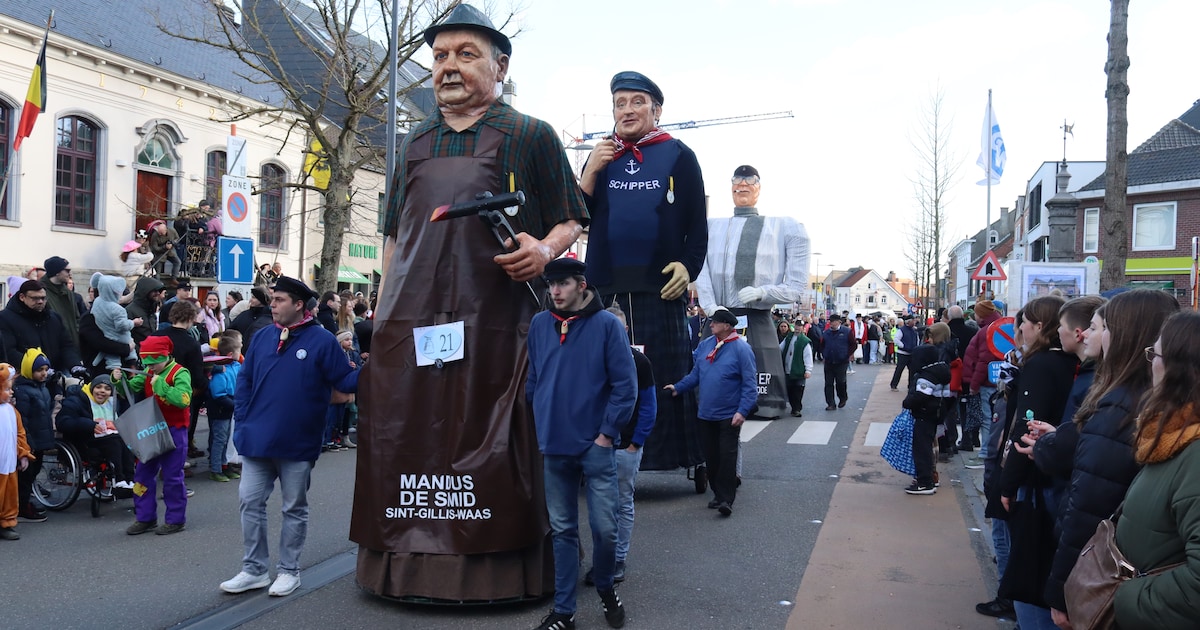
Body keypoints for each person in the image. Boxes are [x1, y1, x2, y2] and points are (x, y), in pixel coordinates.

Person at [352, 3, 588, 602]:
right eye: (439, 56)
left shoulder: (530, 134)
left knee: (498, 431)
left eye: (465, 54)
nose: (448, 68)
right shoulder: (415, 139)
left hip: (499, 319)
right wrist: (384, 312)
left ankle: (502, 573)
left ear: (499, 66)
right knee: (413, 433)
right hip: (413, 317)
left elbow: (571, 217)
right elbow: (393, 233)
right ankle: (403, 569)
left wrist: (544, 247)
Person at [1018, 291, 1177, 628]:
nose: (1091, 334)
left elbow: (1088, 504)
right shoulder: (1144, 399)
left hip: (1110, 572)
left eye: (1100, 327)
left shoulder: (1120, 405)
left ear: (1123, 336)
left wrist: (1061, 588)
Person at [580, 70, 708, 473]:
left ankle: (671, 458)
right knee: (602, 376)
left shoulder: (680, 155)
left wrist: (688, 267)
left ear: (657, 109)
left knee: (664, 377)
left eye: (637, 101)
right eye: (620, 102)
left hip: (660, 289)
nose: (628, 109)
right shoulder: (599, 155)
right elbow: (575, 220)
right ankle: (599, 454)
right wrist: (587, 176)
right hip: (604, 287)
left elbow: (698, 226)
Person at [219, 276, 358, 598]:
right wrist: (242, 421)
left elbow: (346, 380)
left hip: (298, 440)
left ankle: (288, 571)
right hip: (256, 438)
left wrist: (378, 368)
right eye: (272, 298)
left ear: (298, 304)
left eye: (279, 299)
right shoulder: (264, 336)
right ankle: (253, 570)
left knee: (294, 507)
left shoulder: (322, 341)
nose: (273, 304)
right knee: (249, 502)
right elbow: (246, 381)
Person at [526, 258, 636, 629]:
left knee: (605, 529)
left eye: (562, 284)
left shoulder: (606, 325)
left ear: (581, 285)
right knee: (563, 532)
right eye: (550, 285)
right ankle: (564, 612)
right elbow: (534, 379)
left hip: (595, 446)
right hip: (554, 446)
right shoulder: (541, 324)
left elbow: (626, 386)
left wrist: (606, 435)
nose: (554, 291)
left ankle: (605, 586)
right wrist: (540, 413)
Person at [694, 165, 808, 419]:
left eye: (750, 181)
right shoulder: (710, 227)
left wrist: (762, 292)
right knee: (709, 367)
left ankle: (762, 403)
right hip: (719, 314)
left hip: (756, 317)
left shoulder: (785, 227)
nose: (742, 185)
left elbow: (796, 286)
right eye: (737, 180)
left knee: (756, 368)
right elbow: (699, 267)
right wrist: (711, 305)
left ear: (759, 187)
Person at [1111, 310, 1200, 629]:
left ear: (1180, 368)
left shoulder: (1194, 451)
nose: (1150, 362)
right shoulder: (1172, 435)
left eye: (1155, 353)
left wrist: (1126, 598)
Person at [996, 295, 1077, 630]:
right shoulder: (1070, 365)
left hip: (1035, 477)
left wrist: (1006, 482)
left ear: (1039, 326)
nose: (1019, 328)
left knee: (1026, 561)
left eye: (1024, 322)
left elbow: (1025, 426)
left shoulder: (1041, 364)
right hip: (1054, 471)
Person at [581, 306, 656, 588]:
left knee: (622, 504)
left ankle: (617, 560)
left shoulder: (639, 362)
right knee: (599, 506)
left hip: (625, 447)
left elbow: (648, 406)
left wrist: (636, 443)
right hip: (597, 446)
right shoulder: (591, 359)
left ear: (624, 330)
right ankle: (603, 561)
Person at [667, 307, 757, 516]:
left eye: (715, 322)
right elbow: (695, 373)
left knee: (727, 456)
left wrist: (742, 411)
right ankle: (718, 494)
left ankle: (727, 499)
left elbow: (750, 386)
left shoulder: (742, 350)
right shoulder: (707, 344)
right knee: (712, 457)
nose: (711, 324)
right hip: (706, 413)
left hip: (729, 414)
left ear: (726, 325)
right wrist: (678, 387)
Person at [112, 335, 193, 536]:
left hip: (175, 430)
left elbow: (184, 399)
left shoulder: (180, 372)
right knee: (142, 475)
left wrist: (162, 386)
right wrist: (118, 381)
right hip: (152, 429)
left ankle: (176, 520)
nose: (151, 366)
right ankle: (145, 518)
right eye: (147, 362)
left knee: (173, 477)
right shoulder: (148, 371)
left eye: (155, 362)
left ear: (166, 355)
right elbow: (130, 389)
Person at [55, 373, 135, 491]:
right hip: (83, 441)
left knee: (126, 440)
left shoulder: (113, 402)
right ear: (92, 388)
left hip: (106, 438)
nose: (102, 391)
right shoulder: (77, 400)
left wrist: (116, 425)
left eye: (107, 389)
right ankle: (119, 479)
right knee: (114, 442)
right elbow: (62, 422)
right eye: (98, 387)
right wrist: (89, 424)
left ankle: (130, 479)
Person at [902, 323, 956, 495]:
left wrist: (908, 402)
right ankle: (929, 477)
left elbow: (920, 395)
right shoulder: (942, 369)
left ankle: (925, 481)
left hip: (925, 413)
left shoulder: (927, 375)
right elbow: (948, 395)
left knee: (922, 447)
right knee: (929, 446)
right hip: (936, 412)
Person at [0, 280, 86, 382]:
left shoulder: (53, 317)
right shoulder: (5, 318)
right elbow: (8, 351)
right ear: (22, 297)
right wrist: (39, 367)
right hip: (24, 377)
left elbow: (66, 345)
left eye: (43, 298)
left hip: (55, 374)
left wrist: (74, 365)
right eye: (35, 298)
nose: (40, 301)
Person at [13, 350, 53, 523]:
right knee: (26, 476)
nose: (44, 373)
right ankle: (22, 507)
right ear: (30, 370)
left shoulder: (42, 388)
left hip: (40, 440)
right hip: (31, 442)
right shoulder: (23, 391)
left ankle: (23, 503)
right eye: (39, 370)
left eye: (46, 369)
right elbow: (24, 419)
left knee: (33, 473)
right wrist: (28, 442)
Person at [0, 363, 33, 541]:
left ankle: (6, 522)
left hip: (8, 463)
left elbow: (19, 433)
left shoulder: (12, 411)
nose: (11, 393)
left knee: (9, 495)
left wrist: (23, 452)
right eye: (7, 389)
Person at [206, 332, 242, 482]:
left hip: (229, 405)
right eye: (238, 351)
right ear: (230, 354)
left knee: (227, 438)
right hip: (221, 408)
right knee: (219, 439)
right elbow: (218, 393)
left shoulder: (236, 365)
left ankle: (224, 465)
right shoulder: (221, 371)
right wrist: (233, 405)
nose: (241, 353)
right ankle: (216, 469)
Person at [87, 273, 140, 370]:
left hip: (105, 336)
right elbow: (122, 326)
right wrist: (133, 323)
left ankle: (114, 370)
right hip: (120, 338)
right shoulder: (117, 309)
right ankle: (132, 368)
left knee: (111, 359)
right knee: (131, 348)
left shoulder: (97, 302)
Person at [41, 256, 82, 350]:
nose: (70, 274)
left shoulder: (68, 293)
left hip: (72, 347)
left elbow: (76, 318)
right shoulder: (41, 292)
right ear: (57, 272)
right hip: (52, 348)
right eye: (67, 270)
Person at [820, 314, 855, 411]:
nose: (832, 323)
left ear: (839, 322)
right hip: (829, 361)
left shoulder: (846, 331)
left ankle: (843, 397)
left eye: (834, 321)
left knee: (840, 382)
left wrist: (847, 354)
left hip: (842, 362)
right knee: (828, 383)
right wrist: (824, 355)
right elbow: (822, 345)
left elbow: (853, 344)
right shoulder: (826, 333)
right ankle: (831, 403)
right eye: (830, 321)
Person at [780, 320, 812, 417]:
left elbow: (808, 356)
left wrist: (808, 370)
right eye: (796, 326)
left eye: (800, 326)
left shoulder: (804, 341)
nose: (798, 328)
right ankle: (794, 406)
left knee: (798, 390)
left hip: (799, 370)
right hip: (788, 368)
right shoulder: (789, 337)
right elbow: (780, 348)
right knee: (790, 389)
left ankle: (797, 409)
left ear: (803, 328)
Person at [124, 276, 165, 345]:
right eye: (154, 291)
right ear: (145, 292)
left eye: (159, 291)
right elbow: (126, 336)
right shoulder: (130, 311)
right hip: (137, 352)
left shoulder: (151, 310)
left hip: (150, 352)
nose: (158, 293)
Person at [890, 316, 919, 391]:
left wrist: (916, 347)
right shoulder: (902, 330)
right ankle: (894, 385)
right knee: (899, 370)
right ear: (908, 322)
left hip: (912, 353)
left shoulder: (914, 330)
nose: (914, 321)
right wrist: (903, 346)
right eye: (913, 320)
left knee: (912, 371)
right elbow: (896, 339)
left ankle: (911, 386)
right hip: (902, 353)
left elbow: (917, 339)